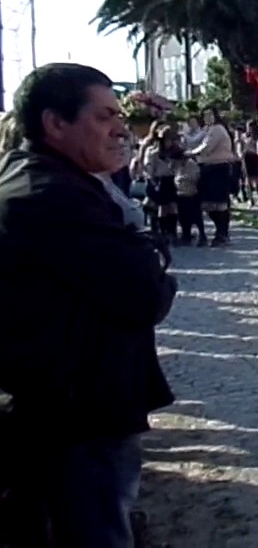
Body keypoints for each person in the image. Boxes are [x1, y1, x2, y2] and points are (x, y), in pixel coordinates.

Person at [0, 63, 177, 547]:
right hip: (76, 423)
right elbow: (147, 294)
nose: (121, 127)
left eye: (119, 114)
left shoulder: (53, 179)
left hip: (76, 411)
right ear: (55, 123)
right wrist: (151, 257)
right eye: (104, 116)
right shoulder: (51, 197)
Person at [188, 107, 237, 245]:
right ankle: (220, 232)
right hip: (209, 168)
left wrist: (190, 153)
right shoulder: (207, 130)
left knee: (219, 202)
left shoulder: (217, 129)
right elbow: (195, 141)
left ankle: (222, 233)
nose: (207, 118)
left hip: (218, 167)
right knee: (209, 203)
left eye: (210, 115)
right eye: (205, 115)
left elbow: (207, 147)